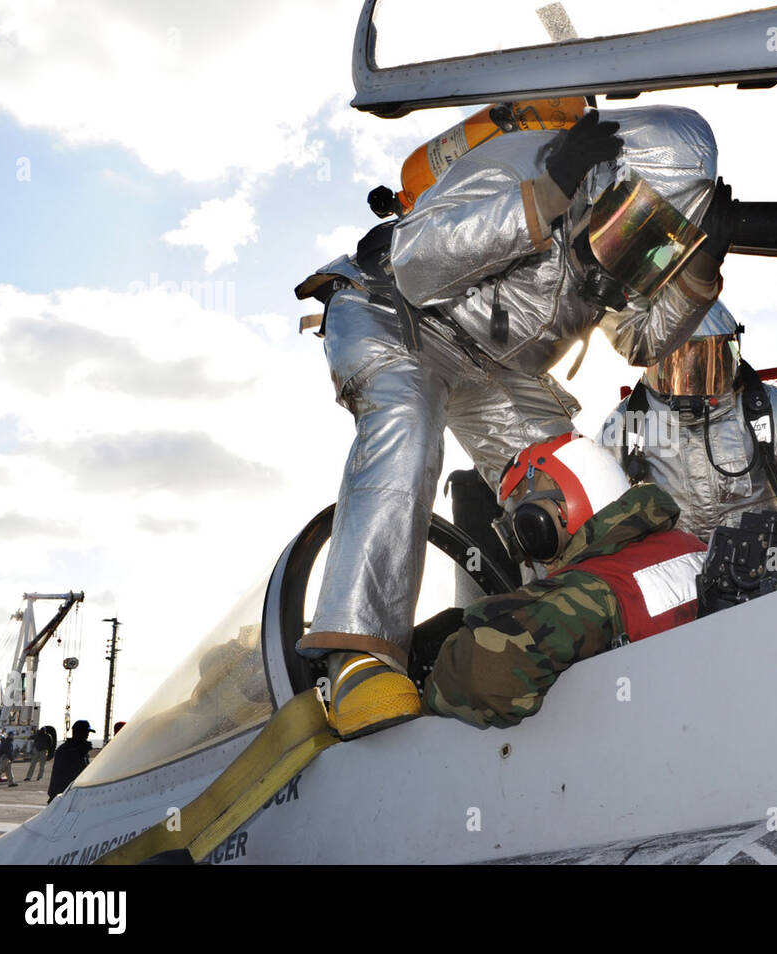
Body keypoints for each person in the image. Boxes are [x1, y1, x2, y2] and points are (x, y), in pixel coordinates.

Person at [296, 106, 736, 739]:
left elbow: (641, 342)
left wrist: (696, 272)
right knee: (408, 421)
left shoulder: (618, 242)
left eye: (653, 236)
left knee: (572, 475)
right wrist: (543, 197)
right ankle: (359, 655)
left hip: (492, 363)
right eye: (634, 223)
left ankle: (555, 622)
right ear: (604, 184)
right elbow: (417, 263)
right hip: (397, 313)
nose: (632, 251)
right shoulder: (518, 165)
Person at [357, 434, 706, 729]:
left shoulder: (593, 591)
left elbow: (484, 675)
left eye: (524, 521)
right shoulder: (690, 546)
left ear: (567, 508)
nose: (523, 545)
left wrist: (423, 684)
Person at [599, 301, 777, 540]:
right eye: (677, 364)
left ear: (729, 355)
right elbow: (603, 504)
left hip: (758, 560)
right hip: (673, 567)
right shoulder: (627, 423)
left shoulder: (769, 410)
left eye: (704, 364)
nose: (690, 378)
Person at [47, 720, 94, 803]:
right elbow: (70, 770)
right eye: (85, 733)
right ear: (77, 733)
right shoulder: (66, 749)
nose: (87, 736)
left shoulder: (80, 749)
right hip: (61, 796)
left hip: (72, 795)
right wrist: (80, 751)